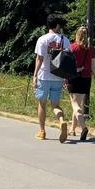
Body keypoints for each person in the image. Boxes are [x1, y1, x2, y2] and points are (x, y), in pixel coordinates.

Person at [33, 14, 71, 143]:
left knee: (42, 103)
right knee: (55, 105)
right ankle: (61, 121)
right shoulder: (65, 40)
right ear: (57, 25)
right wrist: (66, 77)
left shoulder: (42, 39)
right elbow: (68, 59)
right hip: (59, 76)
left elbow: (39, 59)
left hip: (44, 75)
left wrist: (35, 75)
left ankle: (42, 131)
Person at [68, 26, 95, 142]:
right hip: (86, 78)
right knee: (78, 104)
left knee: (75, 104)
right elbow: (93, 66)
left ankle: (83, 127)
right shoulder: (91, 49)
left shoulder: (72, 47)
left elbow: (67, 64)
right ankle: (72, 129)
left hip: (74, 77)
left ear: (77, 35)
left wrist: (64, 77)